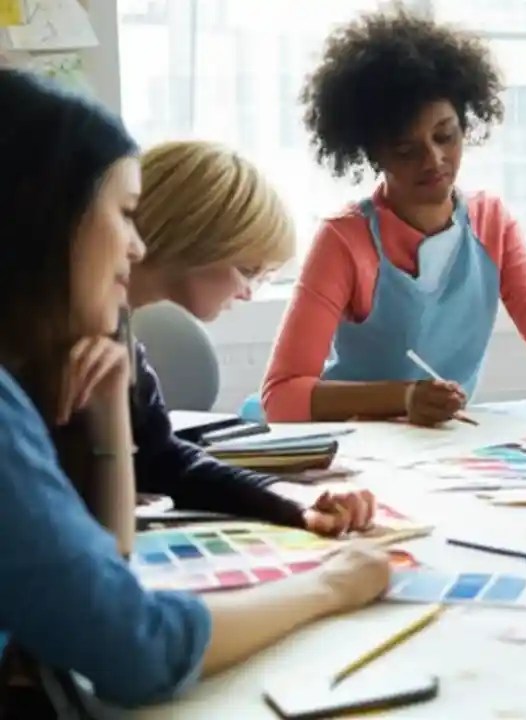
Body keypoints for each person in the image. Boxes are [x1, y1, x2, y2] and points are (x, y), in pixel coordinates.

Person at [0, 69, 390, 713]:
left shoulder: (101, 342)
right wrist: (332, 585)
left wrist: (290, 504)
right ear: (47, 222)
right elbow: (135, 645)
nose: (137, 241)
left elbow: (115, 546)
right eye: (125, 214)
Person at [261, 7, 526, 429]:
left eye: (446, 135)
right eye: (407, 150)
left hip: (443, 447)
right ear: (372, 153)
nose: (434, 159)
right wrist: (404, 398)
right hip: (355, 447)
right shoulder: (343, 239)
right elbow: (281, 396)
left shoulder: (492, 221)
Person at [125, 139, 374, 536]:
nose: (247, 292)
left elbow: (163, 459)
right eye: (247, 269)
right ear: (193, 238)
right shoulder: (62, 335)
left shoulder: (119, 335)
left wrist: (290, 495)